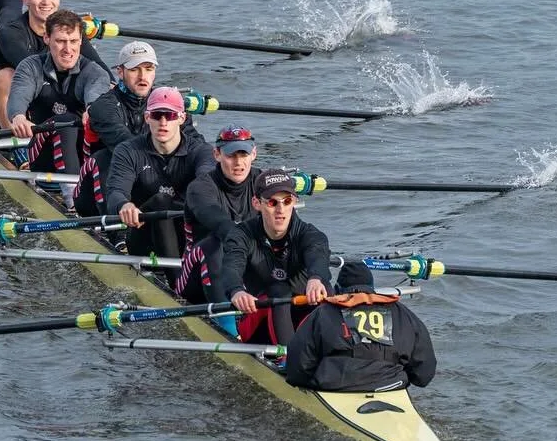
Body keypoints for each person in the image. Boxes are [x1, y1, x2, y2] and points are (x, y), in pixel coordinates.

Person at [219, 169, 336, 347]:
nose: (280, 210)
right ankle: (288, 362)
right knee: (279, 290)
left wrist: (315, 278)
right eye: (273, 202)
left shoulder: (310, 234)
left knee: (326, 288)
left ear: (294, 202)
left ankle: (332, 354)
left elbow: (317, 255)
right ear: (257, 203)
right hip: (258, 322)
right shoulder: (241, 234)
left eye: (287, 201)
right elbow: (231, 266)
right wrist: (236, 291)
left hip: (301, 317)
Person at [0, 0, 105, 132]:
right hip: (2, 108)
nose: (47, 2)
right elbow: (33, 69)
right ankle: (16, 144)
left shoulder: (68, 32)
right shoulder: (9, 33)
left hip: (44, 108)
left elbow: (100, 69)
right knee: (7, 76)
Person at [283, 260, 438, 393]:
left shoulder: (322, 313)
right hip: (390, 385)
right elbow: (424, 374)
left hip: (335, 386)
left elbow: (297, 368)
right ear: (373, 289)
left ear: (337, 289)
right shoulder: (403, 314)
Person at [104, 86, 214, 264]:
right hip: (142, 233)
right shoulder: (128, 150)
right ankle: (178, 281)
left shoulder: (201, 151)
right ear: (147, 117)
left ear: (181, 118)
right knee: (160, 201)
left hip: (185, 230)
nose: (163, 122)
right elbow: (116, 191)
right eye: (157, 115)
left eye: (169, 115)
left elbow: (207, 180)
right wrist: (124, 205)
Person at [5, 9, 112, 177]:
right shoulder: (31, 66)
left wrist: (92, 110)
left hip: (83, 150)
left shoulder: (95, 72)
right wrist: (18, 116)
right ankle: (71, 198)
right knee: (66, 121)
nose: (68, 49)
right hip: (42, 153)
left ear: (80, 42)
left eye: (73, 41)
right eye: (61, 41)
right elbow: (19, 93)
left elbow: (95, 94)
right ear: (47, 39)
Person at [174, 126, 262, 303]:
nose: (238, 163)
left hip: (242, 267)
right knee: (215, 244)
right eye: (230, 156)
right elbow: (220, 223)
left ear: (253, 154)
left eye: (243, 155)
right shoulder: (200, 188)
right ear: (217, 155)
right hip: (196, 276)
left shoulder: (262, 183)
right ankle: (227, 326)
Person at [71, 40, 159, 216]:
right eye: (134, 69)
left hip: (143, 181)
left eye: (149, 69)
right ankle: (117, 238)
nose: (143, 76)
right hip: (94, 191)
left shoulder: (165, 106)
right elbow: (127, 144)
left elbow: (193, 143)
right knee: (109, 157)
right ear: (120, 72)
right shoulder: (103, 107)